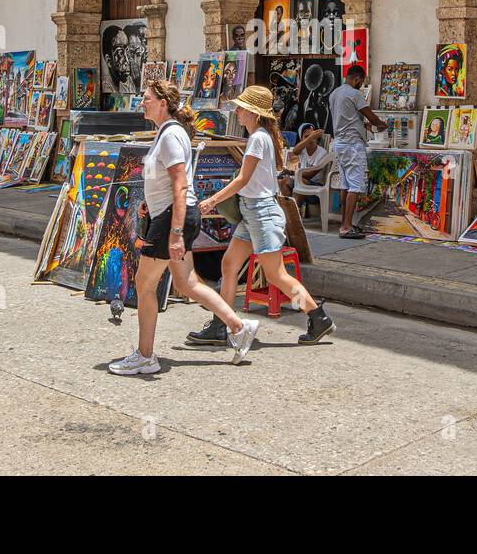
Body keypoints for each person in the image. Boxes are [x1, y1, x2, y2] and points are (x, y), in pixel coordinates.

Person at [109, 81, 257, 376]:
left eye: (147, 98)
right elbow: (166, 182)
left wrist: (175, 232)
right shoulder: (166, 133)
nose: (142, 102)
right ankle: (239, 327)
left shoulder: (171, 134)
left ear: (163, 103)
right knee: (187, 283)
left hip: (173, 219)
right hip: (171, 214)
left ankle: (145, 356)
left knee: (144, 283)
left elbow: (180, 183)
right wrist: (150, 205)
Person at [191, 85, 334, 347]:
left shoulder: (258, 138)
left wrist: (212, 200)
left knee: (276, 275)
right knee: (229, 264)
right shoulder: (263, 136)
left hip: (261, 212)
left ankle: (317, 316)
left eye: (242, 108)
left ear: (254, 113)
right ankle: (220, 323)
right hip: (253, 211)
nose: (237, 112)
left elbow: (243, 178)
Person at [327, 65, 386, 239]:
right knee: (355, 185)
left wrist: (362, 124)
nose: (361, 84)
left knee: (346, 185)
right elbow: (372, 117)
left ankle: (345, 224)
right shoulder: (355, 94)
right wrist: (382, 124)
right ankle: (346, 227)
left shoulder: (335, 93)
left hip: (339, 143)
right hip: (352, 145)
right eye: (361, 81)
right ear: (357, 79)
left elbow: (347, 117)